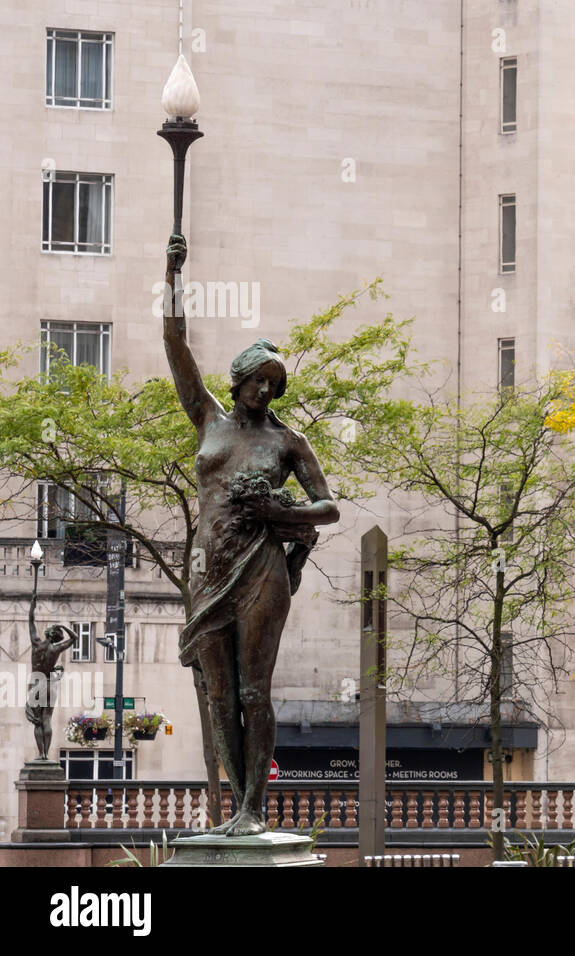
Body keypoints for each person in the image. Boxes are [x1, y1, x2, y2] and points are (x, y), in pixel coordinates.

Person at [163, 233, 340, 837]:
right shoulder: (207, 419)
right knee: (218, 696)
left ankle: (253, 809)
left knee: (252, 694)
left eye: (273, 383)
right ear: (237, 381)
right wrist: (172, 274)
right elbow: (174, 343)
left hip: (262, 572)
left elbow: (329, 508)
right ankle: (235, 806)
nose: (264, 391)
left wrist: (276, 513)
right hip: (211, 576)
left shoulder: (288, 442)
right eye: (257, 381)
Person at [26, 567, 77, 761]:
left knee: (37, 721)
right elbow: (74, 638)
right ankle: (46, 755)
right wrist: (64, 626)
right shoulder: (56, 649)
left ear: (47, 633)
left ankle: (41, 754)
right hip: (48, 683)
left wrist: (32, 602)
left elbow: (30, 619)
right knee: (47, 719)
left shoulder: (36, 643)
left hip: (36, 682)